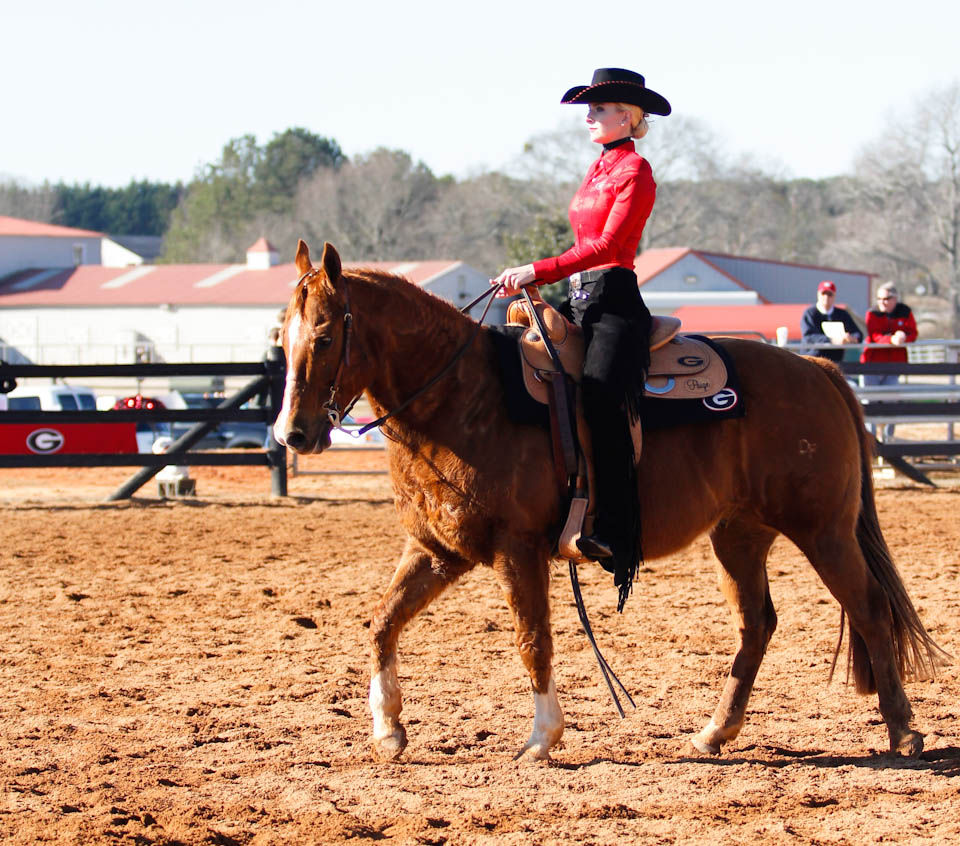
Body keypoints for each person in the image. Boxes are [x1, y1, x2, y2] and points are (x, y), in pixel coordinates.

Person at [491, 67, 671, 608]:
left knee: (598, 393)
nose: (589, 118)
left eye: (598, 109)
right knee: (525, 365)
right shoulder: (599, 170)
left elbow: (610, 245)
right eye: (589, 110)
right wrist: (539, 283)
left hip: (614, 299)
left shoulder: (636, 172)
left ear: (627, 116)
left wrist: (536, 270)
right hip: (579, 296)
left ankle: (613, 529)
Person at [860, 282, 917, 384]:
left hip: (894, 364)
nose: (882, 302)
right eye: (879, 299)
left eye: (886, 299)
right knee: (870, 397)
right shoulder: (872, 313)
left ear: (895, 299)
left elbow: (912, 333)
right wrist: (891, 339)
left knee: (891, 397)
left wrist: (903, 337)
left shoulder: (905, 312)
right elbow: (875, 336)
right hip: (872, 364)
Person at [800, 280, 863, 362]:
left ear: (834, 296)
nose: (826, 297)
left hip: (835, 361)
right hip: (813, 360)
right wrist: (832, 340)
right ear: (818, 295)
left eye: (830, 294)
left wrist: (852, 338)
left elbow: (858, 334)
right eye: (824, 293)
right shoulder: (810, 313)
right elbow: (809, 336)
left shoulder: (842, 314)